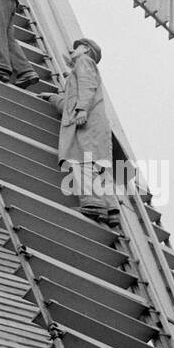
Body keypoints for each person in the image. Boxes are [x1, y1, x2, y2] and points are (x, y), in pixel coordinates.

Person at [44, 38, 116, 221]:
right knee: (97, 164)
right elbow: (70, 104)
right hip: (95, 124)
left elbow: (87, 86)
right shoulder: (82, 67)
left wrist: (82, 109)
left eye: (76, 48)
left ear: (85, 49)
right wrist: (53, 98)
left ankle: (93, 203)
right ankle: (111, 209)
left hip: (87, 123)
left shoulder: (84, 62)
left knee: (83, 159)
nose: (71, 51)